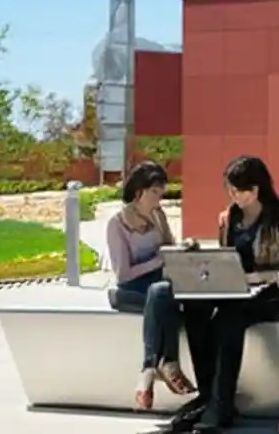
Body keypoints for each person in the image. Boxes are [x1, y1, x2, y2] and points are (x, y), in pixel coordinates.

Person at [163, 156, 279, 434]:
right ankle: (208, 395)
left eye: (240, 191)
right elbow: (225, 258)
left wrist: (254, 278)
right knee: (194, 307)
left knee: (228, 321)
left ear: (257, 189)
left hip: (267, 291)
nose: (234, 196)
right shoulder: (228, 219)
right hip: (234, 287)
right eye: (231, 190)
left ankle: (221, 404)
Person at [105, 160, 195, 410]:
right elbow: (123, 274)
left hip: (162, 283)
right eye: (154, 192)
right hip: (132, 287)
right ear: (138, 193)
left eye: (161, 192)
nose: (159, 198)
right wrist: (157, 261)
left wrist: (183, 250)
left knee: (162, 294)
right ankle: (166, 364)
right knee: (161, 295)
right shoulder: (118, 224)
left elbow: (169, 249)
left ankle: (149, 370)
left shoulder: (158, 216)